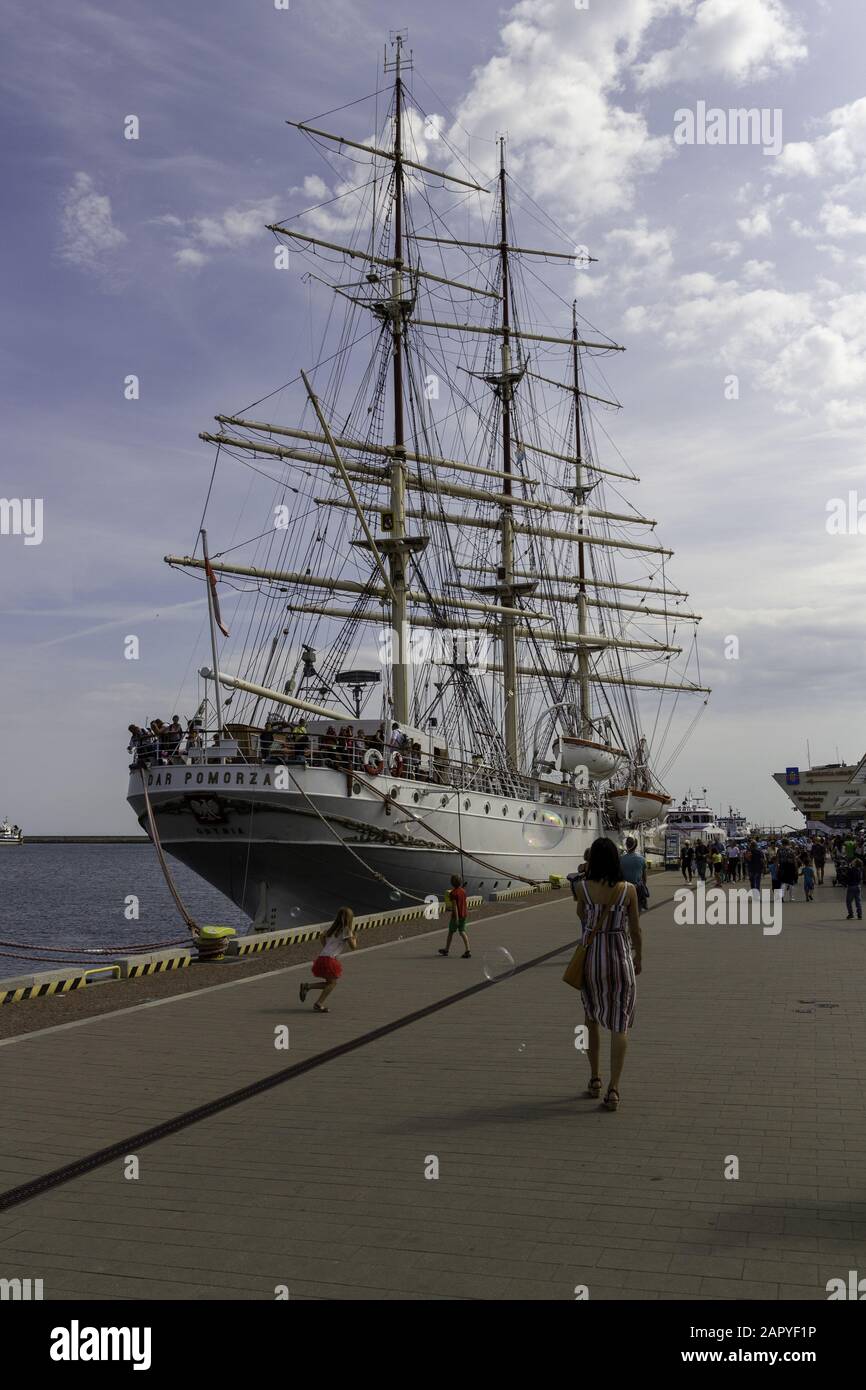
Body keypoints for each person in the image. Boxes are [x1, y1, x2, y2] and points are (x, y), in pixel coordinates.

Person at [575, 837, 642, 1112]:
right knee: (620, 1022)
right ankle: (614, 1089)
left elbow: (581, 916)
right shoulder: (629, 890)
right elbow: (636, 929)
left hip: (591, 958)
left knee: (591, 1017)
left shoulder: (582, 888)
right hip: (619, 956)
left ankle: (594, 1079)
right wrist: (640, 956)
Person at [300, 907, 357, 1012]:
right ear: (350, 919)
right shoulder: (347, 930)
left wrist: (326, 948)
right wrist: (354, 938)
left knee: (329, 983)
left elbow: (321, 936)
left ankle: (307, 986)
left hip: (322, 957)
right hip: (330, 959)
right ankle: (318, 1003)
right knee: (332, 983)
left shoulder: (332, 929)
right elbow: (353, 947)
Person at [438, 875, 471, 958]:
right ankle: (467, 950)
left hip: (456, 916)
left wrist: (456, 918)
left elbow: (455, 906)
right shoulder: (463, 891)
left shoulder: (453, 893)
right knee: (462, 932)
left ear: (452, 883)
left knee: (450, 932)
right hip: (464, 914)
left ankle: (446, 949)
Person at [620, 835, 648, 911]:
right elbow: (644, 877)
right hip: (637, 888)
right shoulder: (642, 859)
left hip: (625, 888)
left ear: (626, 845)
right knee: (637, 910)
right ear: (636, 846)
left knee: (625, 910)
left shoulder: (621, 859)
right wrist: (644, 886)